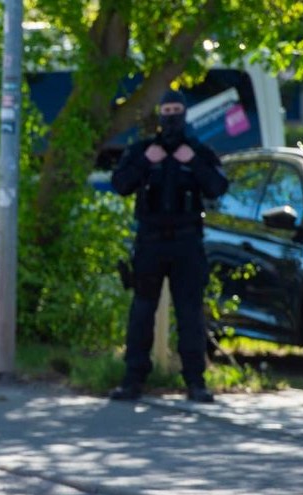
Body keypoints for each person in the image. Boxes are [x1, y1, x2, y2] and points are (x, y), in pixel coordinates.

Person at [108, 89, 229, 403]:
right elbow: (120, 184)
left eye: (177, 109)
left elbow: (218, 186)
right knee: (141, 312)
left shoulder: (198, 151)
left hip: (187, 243)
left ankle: (195, 382)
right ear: (160, 114)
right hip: (150, 242)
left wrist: (194, 164)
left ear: (184, 114)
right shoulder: (143, 150)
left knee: (190, 314)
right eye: (167, 109)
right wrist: (146, 164)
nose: (172, 115)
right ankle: (133, 379)